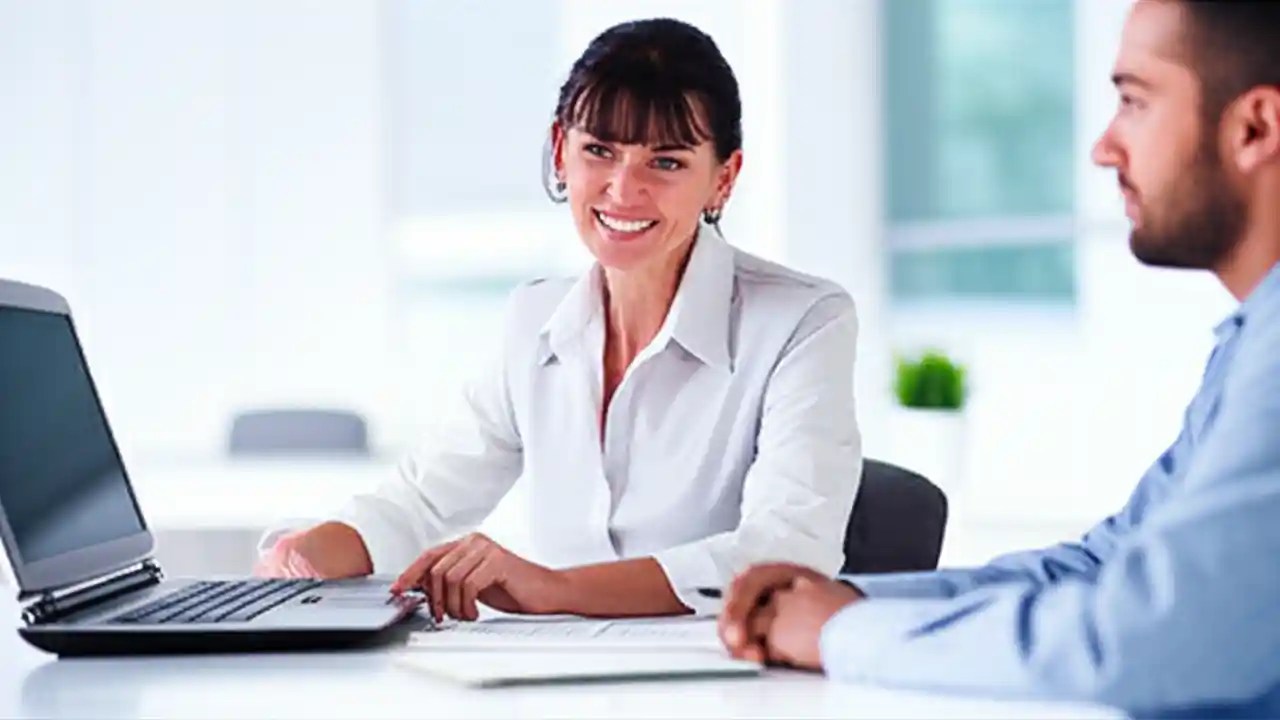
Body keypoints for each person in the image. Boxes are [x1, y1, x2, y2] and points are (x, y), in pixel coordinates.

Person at [719, 1, 1280, 716]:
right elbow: (1109, 565)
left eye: (1135, 102)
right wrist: (845, 602)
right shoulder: (1251, 346)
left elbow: (1149, 638)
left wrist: (841, 631)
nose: (1105, 148)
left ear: (1253, 127)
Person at [255, 18, 863, 623]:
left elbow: (786, 551)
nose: (624, 190)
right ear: (560, 152)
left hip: (726, 686)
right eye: (599, 150)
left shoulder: (802, 321)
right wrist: (304, 554)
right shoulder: (535, 320)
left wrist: (552, 588)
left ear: (722, 178)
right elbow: (420, 502)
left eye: (667, 163)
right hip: (555, 680)